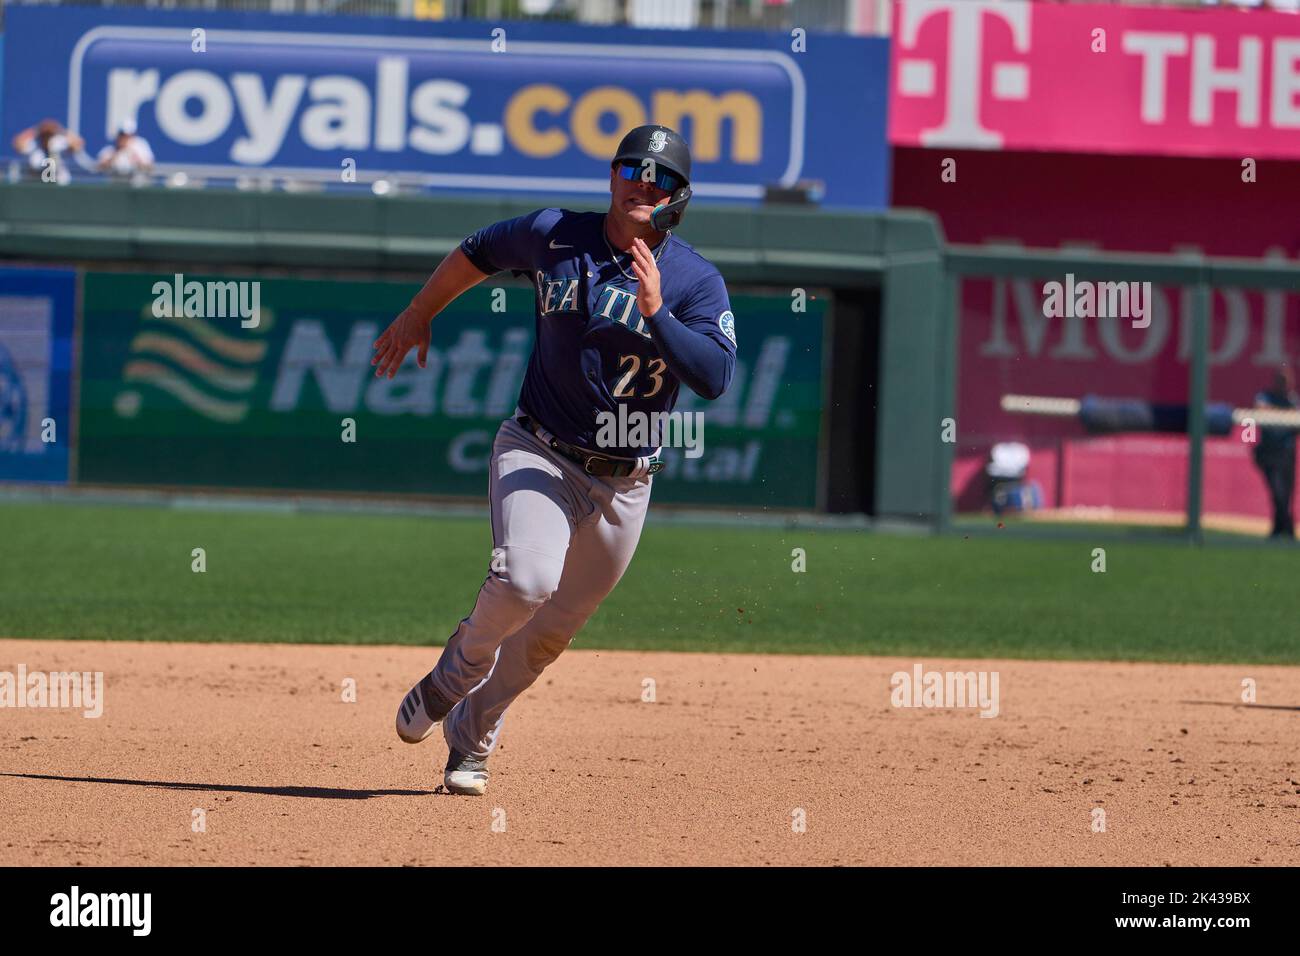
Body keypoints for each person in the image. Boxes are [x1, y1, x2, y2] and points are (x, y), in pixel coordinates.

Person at [374, 125, 736, 795]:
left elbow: (715, 375)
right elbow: (478, 250)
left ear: (677, 198)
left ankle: (471, 737)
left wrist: (659, 312)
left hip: (625, 482)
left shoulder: (693, 280)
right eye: (632, 167)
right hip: (540, 448)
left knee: (549, 636)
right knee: (525, 582)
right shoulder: (554, 233)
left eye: (659, 176)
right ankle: (455, 672)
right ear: (611, 176)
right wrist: (421, 310)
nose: (642, 182)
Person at [1252, 367, 1298, 539]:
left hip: (1287, 453)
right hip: (1269, 453)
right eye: (1281, 380)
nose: (1284, 384)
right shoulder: (1265, 396)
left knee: (1286, 495)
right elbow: (1259, 410)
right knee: (1277, 492)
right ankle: (1287, 528)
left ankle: (1280, 529)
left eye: (1286, 381)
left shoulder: (1292, 400)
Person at [11, 119, 85, 184]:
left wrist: (60, 130)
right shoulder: (34, 146)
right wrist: (36, 130)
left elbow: (78, 144)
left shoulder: (58, 143)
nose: (46, 138)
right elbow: (17, 144)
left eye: (49, 135)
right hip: (36, 182)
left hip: (58, 181)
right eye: (44, 135)